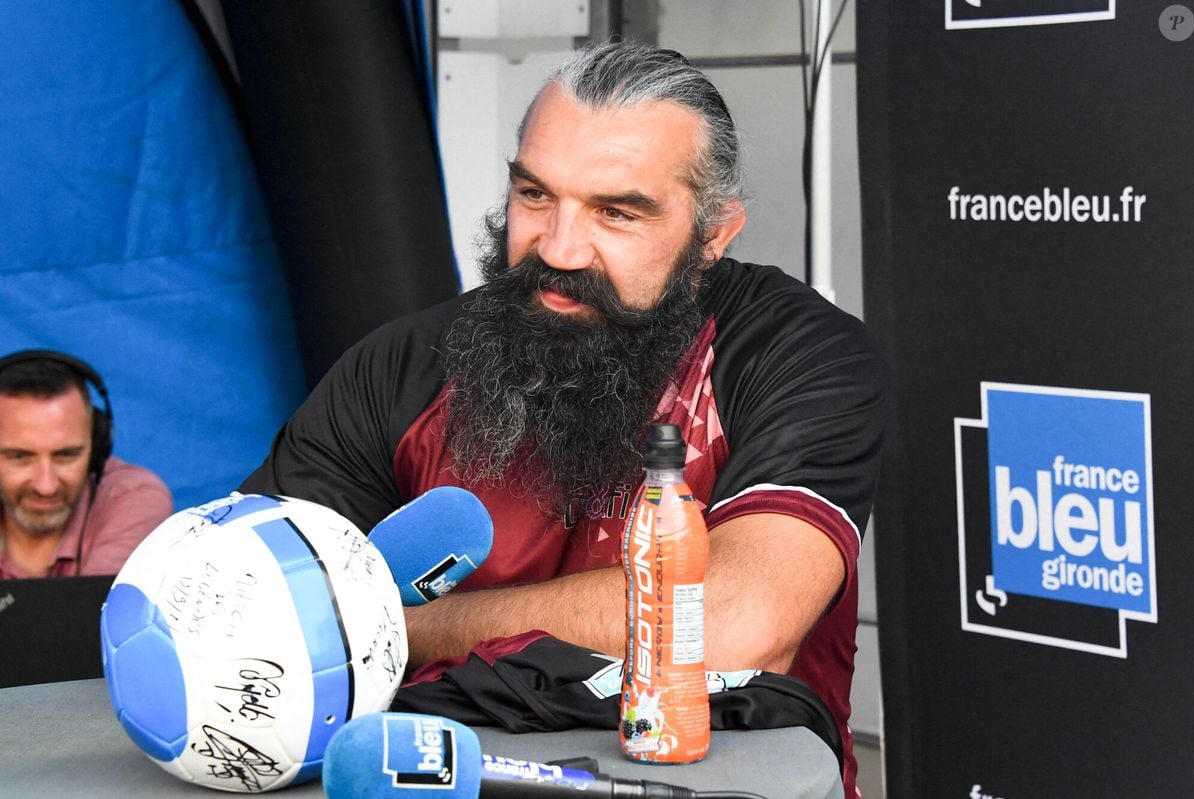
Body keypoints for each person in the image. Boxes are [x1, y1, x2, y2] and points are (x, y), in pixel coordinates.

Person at [241, 40, 886, 798]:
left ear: (714, 234)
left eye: (616, 212)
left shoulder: (799, 353)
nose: (558, 248)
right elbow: (255, 614)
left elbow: (731, 623)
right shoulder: (402, 367)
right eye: (535, 195)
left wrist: (397, 626)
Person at [0, 350, 173, 579]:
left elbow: (103, 603)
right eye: (19, 457)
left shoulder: (134, 495)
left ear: (96, 447)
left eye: (66, 455)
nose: (46, 487)